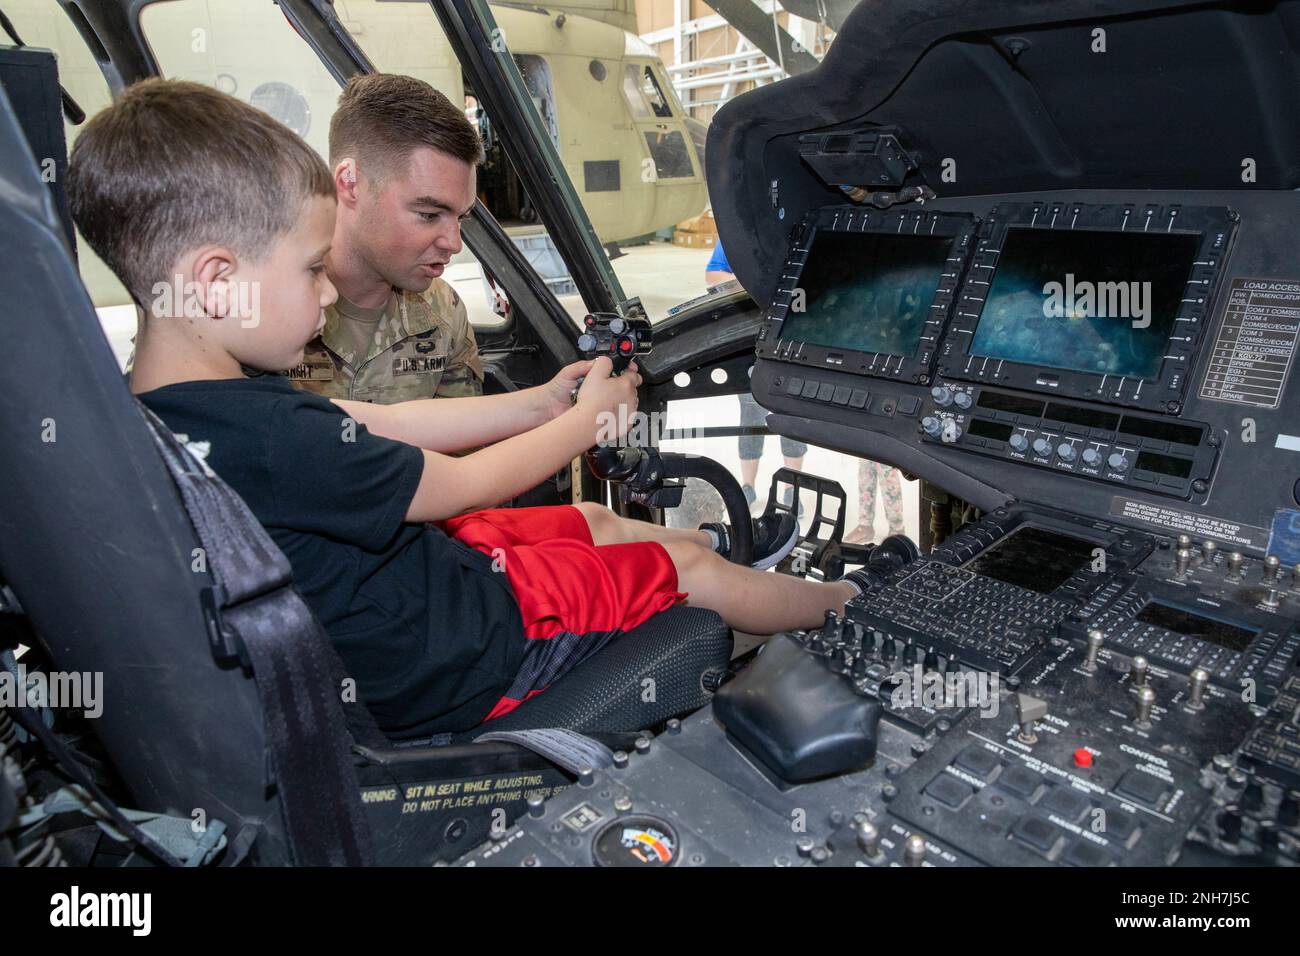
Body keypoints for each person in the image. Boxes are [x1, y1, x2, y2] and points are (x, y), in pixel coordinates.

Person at [70, 79, 874, 740]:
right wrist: (588, 424)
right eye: (312, 269)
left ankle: (740, 564)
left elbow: (390, 422)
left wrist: (541, 403)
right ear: (216, 280)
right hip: (465, 657)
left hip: (422, 599)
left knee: (598, 526)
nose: (323, 292)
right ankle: (860, 610)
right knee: (686, 572)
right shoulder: (271, 437)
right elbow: (456, 487)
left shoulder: (177, 410)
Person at [287, 74, 485, 403]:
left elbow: (460, 450)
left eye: (461, 217)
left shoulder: (444, 313)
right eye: (429, 214)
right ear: (350, 184)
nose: (454, 243)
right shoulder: (264, 307)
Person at [705, 240, 807, 508]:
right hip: (750, 338)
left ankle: (791, 487)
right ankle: (748, 486)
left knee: (792, 413)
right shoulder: (735, 233)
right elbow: (712, 277)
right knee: (749, 414)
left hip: (792, 338)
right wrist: (768, 289)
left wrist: (745, 286)